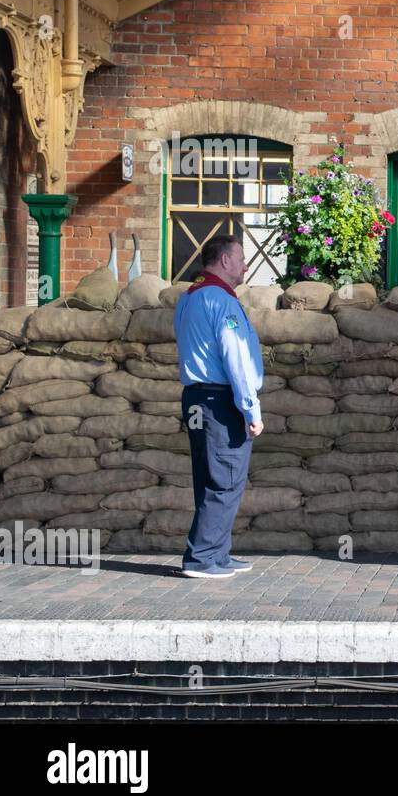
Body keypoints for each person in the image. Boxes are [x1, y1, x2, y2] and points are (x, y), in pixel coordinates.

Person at [172, 236, 264, 578]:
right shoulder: (221, 301)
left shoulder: (189, 296)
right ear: (224, 260)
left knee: (208, 475)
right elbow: (236, 357)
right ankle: (202, 558)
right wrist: (250, 409)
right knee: (225, 478)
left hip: (195, 397)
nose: (245, 266)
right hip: (220, 400)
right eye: (241, 259)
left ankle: (219, 552)